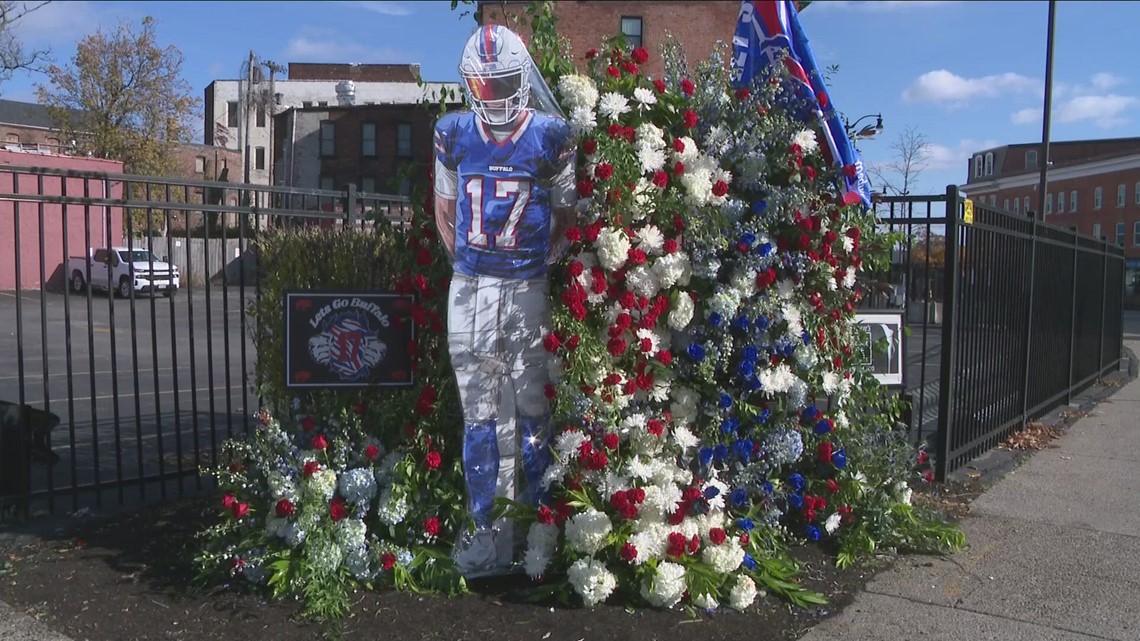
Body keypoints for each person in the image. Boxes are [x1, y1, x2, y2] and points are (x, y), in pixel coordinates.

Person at [433, 24, 577, 577]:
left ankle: (538, 529)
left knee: (533, 408)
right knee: (480, 416)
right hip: (472, 285)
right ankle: (487, 532)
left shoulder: (551, 135)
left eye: (502, 85)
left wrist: (530, 266)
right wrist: (478, 267)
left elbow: (565, 217)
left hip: (524, 287)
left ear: (522, 79)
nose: (492, 97)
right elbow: (445, 213)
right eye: (483, 86)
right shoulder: (452, 133)